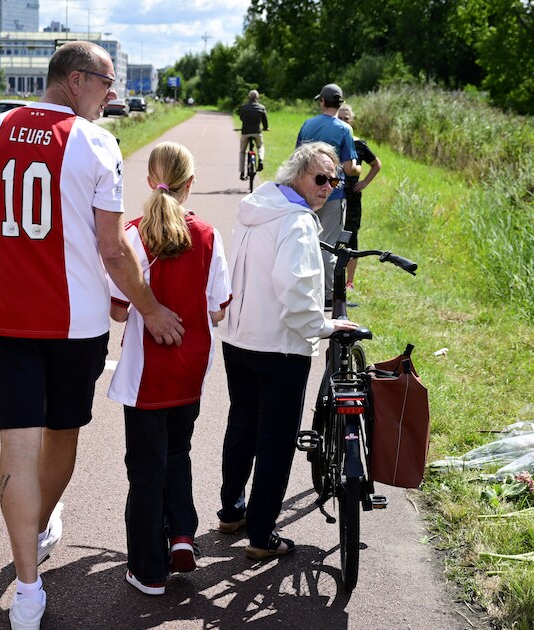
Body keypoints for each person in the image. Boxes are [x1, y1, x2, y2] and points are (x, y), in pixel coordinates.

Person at [0, 41, 185, 630]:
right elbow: (112, 250)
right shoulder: (96, 144)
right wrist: (152, 309)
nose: (114, 94)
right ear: (78, 79)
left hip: (5, 320)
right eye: (108, 82)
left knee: (16, 446)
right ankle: (36, 533)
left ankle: (28, 590)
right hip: (75, 325)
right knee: (62, 434)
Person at [217, 142, 359, 559]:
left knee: (241, 425)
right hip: (279, 345)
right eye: (320, 178)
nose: (328, 187)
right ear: (296, 175)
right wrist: (323, 326)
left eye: (333, 181)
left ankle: (231, 510)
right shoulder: (296, 223)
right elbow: (295, 288)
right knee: (276, 441)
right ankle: (262, 536)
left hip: (239, 338)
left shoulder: (254, 208)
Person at [108, 141, 232, 596]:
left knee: (145, 468)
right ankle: (182, 533)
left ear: (149, 179)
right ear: (190, 184)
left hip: (147, 377)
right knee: (178, 453)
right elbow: (218, 309)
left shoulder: (134, 236)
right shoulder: (209, 235)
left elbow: (120, 311)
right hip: (191, 372)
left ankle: (148, 570)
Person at [295, 83, 360, 307]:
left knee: (305, 241)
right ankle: (329, 296)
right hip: (332, 193)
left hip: (305, 192)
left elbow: (297, 158)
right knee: (329, 245)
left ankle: (305, 291)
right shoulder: (345, 129)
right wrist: (359, 170)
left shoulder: (308, 124)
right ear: (339, 104)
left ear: (322, 101)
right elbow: (350, 167)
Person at [335, 104, 383, 290]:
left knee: (351, 239)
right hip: (332, 196)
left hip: (352, 198)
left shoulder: (359, 144)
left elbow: (376, 164)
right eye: (339, 118)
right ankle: (329, 279)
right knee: (330, 236)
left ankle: (349, 282)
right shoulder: (332, 142)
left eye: (346, 119)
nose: (343, 121)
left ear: (351, 121)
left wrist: (364, 183)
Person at [237, 89, 269, 181]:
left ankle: (242, 172)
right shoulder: (261, 107)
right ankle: (261, 160)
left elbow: (241, 118)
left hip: (245, 132)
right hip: (257, 132)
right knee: (260, 146)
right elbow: (265, 120)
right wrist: (265, 128)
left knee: (242, 151)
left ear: (249, 97)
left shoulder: (244, 107)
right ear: (257, 98)